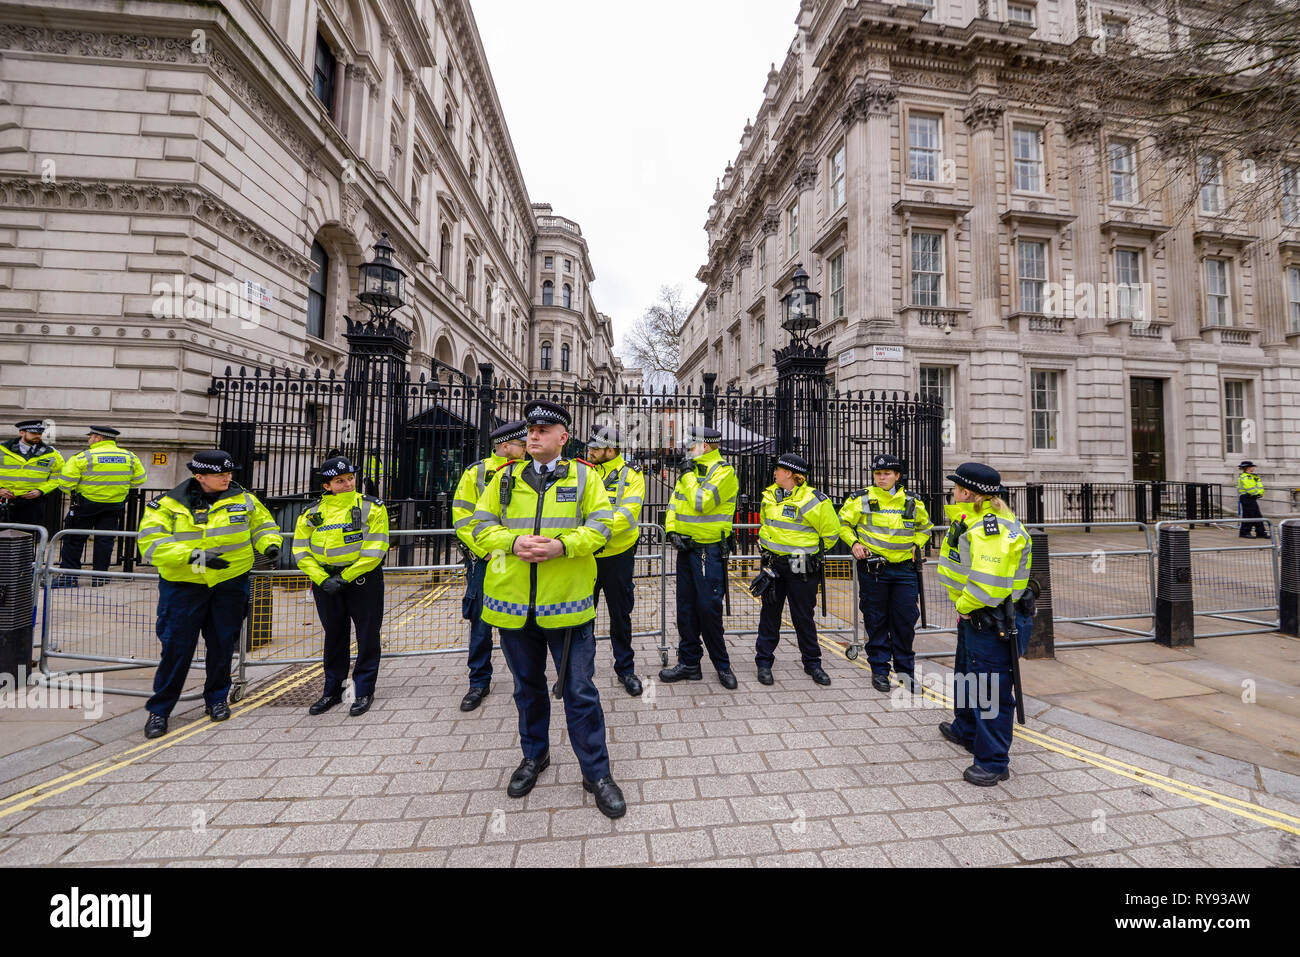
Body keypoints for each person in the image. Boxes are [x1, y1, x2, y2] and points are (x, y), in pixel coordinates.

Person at [471, 399, 626, 819]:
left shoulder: (585, 477)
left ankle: (597, 773)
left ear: (563, 437)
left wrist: (562, 546)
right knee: (527, 689)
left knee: (579, 691)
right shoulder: (504, 479)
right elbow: (476, 526)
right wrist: (511, 542)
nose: (533, 435)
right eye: (530, 430)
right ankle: (534, 757)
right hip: (514, 606)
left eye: (542, 430)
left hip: (567, 606)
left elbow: (601, 527)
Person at [137, 451, 282, 739]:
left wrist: (270, 544)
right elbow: (151, 545)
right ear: (199, 476)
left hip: (229, 583)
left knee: (222, 645)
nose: (227, 478)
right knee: (177, 648)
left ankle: (216, 699)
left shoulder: (244, 499)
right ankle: (160, 710)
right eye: (220, 474)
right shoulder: (166, 505)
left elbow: (263, 526)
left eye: (229, 473)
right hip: (184, 586)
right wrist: (196, 556)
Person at [936, 462, 1033, 787]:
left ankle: (993, 761)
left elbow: (987, 585)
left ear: (967, 493)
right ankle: (966, 730)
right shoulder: (972, 521)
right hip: (976, 616)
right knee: (966, 674)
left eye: (955, 488)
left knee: (990, 691)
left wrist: (963, 606)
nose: (951, 492)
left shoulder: (990, 529)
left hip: (989, 619)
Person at [292, 455, 390, 717]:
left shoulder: (372, 507)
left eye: (350, 478)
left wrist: (345, 577)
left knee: (367, 635)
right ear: (327, 485)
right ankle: (332, 690)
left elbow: (376, 548)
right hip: (326, 583)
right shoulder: (311, 513)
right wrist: (323, 579)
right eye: (340, 481)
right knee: (334, 636)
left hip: (362, 580)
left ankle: (363, 690)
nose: (348, 484)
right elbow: (300, 551)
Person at [838, 453, 934, 693]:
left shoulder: (912, 501)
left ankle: (905, 673)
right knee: (876, 620)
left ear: (897, 476)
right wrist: (853, 543)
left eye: (887, 474)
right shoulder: (861, 499)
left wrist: (917, 544)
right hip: (874, 570)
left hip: (904, 570)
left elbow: (925, 528)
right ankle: (880, 670)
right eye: (878, 474)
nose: (882, 478)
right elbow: (842, 524)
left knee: (904, 622)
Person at [451, 420, 527, 712]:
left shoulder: (526, 470)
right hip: (487, 560)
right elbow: (462, 517)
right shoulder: (478, 472)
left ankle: (523, 677)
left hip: (517, 557)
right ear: (506, 446)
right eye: (521, 444)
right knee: (481, 624)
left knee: (519, 620)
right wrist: (485, 552)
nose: (526, 448)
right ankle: (479, 682)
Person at [660, 424, 740, 689]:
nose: (686, 449)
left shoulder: (724, 472)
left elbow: (701, 503)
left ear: (704, 446)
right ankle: (689, 662)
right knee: (685, 608)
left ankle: (722, 665)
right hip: (686, 548)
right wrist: (672, 531)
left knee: (708, 609)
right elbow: (674, 504)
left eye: (690, 445)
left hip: (708, 550)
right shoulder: (690, 472)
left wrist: (688, 476)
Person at [752, 453, 841, 686]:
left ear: (790, 473)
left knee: (803, 617)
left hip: (802, 566)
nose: (774, 472)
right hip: (774, 565)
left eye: (778, 469)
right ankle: (763, 662)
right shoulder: (769, 496)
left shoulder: (815, 500)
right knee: (769, 615)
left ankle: (813, 664)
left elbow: (831, 534)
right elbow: (766, 526)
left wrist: (814, 555)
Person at [586, 425, 646, 696]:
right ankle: (580, 672)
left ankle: (626, 670)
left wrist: (593, 532)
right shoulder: (585, 472)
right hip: (586, 556)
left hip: (617, 557)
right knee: (582, 615)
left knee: (620, 616)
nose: (590, 452)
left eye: (595, 449)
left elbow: (628, 514)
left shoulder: (631, 475)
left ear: (611, 451)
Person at [53, 426, 147, 587]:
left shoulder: (83, 457)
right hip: (114, 505)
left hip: (85, 505)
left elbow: (65, 483)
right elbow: (139, 480)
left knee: (74, 539)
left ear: (98, 438)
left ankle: (69, 577)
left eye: (90, 436)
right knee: (105, 540)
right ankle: (100, 577)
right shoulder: (129, 456)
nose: (89, 439)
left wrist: (76, 491)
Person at [0, 419, 64, 529]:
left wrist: (41, 491)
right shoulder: (3, 450)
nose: (37, 436)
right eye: (33, 433)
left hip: (32, 502)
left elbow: (58, 476)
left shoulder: (52, 454)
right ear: (22, 432)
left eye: (40, 433)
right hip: (4, 499)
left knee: (27, 536)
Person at [1237, 461, 1268, 540]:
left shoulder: (1253, 476)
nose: (1254, 467)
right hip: (1247, 497)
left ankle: (1261, 532)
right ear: (1248, 467)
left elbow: (1259, 486)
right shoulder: (1245, 477)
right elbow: (1250, 488)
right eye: (1252, 466)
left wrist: (1260, 493)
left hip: (1252, 497)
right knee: (1248, 515)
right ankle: (1244, 532)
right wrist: (1257, 494)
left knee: (1257, 515)